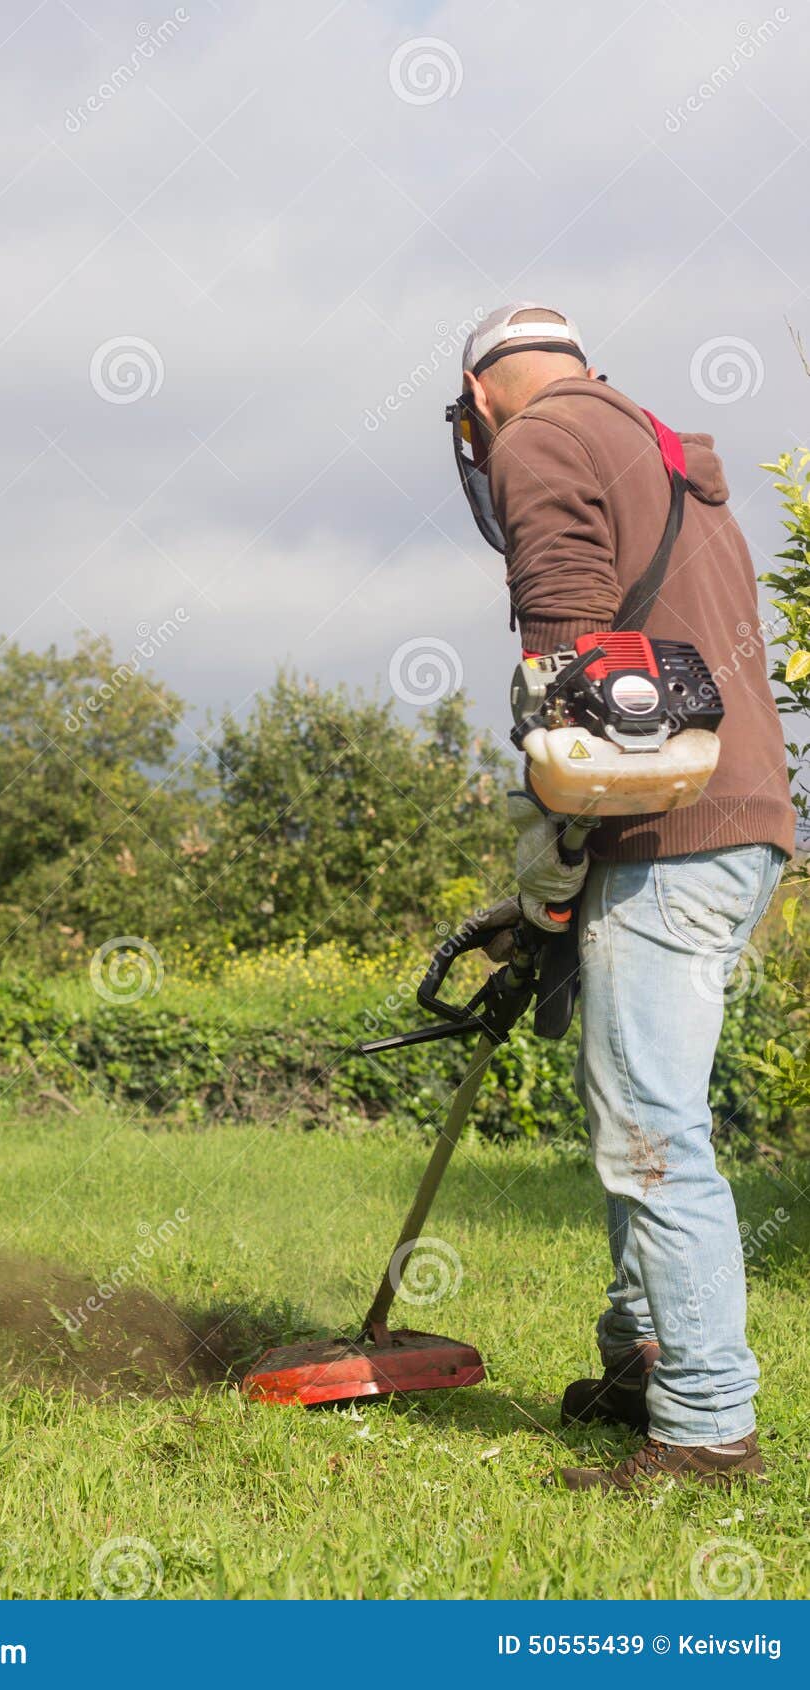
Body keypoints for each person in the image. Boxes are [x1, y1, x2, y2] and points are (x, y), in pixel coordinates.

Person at [458, 303, 795, 1491]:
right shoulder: (665, 458)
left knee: (651, 1128)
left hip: (665, 830)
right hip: (730, 819)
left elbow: (573, 674)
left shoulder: (536, 440)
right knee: (629, 1106)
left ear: (478, 394)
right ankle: (634, 1361)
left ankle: (703, 1428)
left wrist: (546, 856)